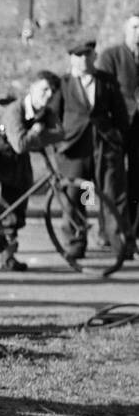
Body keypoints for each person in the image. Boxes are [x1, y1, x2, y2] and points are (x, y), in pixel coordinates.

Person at [0, 71, 63, 272]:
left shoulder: (46, 113)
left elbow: (59, 133)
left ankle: (7, 257)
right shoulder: (15, 110)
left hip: (17, 163)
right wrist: (36, 132)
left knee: (16, 208)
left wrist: (36, 135)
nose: (48, 95)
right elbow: (20, 143)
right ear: (32, 88)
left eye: (52, 92)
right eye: (44, 89)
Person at [53, 40, 130, 273]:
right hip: (74, 149)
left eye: (88, 55)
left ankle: (119, 243)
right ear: (72, 59)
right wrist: (58, 142)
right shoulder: (64, 84)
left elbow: (120, 114)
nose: (84, 60)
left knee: (112, 194)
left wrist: (117, 139)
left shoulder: (106, 81)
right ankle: (76, 242)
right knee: (75, 196)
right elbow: (53, 115)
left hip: (104, 147)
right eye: (78, 56)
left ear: (94, 56)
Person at [96, 12, 139, 256]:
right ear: (126, 30)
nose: (138, 34)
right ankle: (106, 232)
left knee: (135, 182)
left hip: (137, 129)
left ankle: (131, 232)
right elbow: (104, 94)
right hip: (114, 130)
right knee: (109, 184)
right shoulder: (112, 56)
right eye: (134, 28)